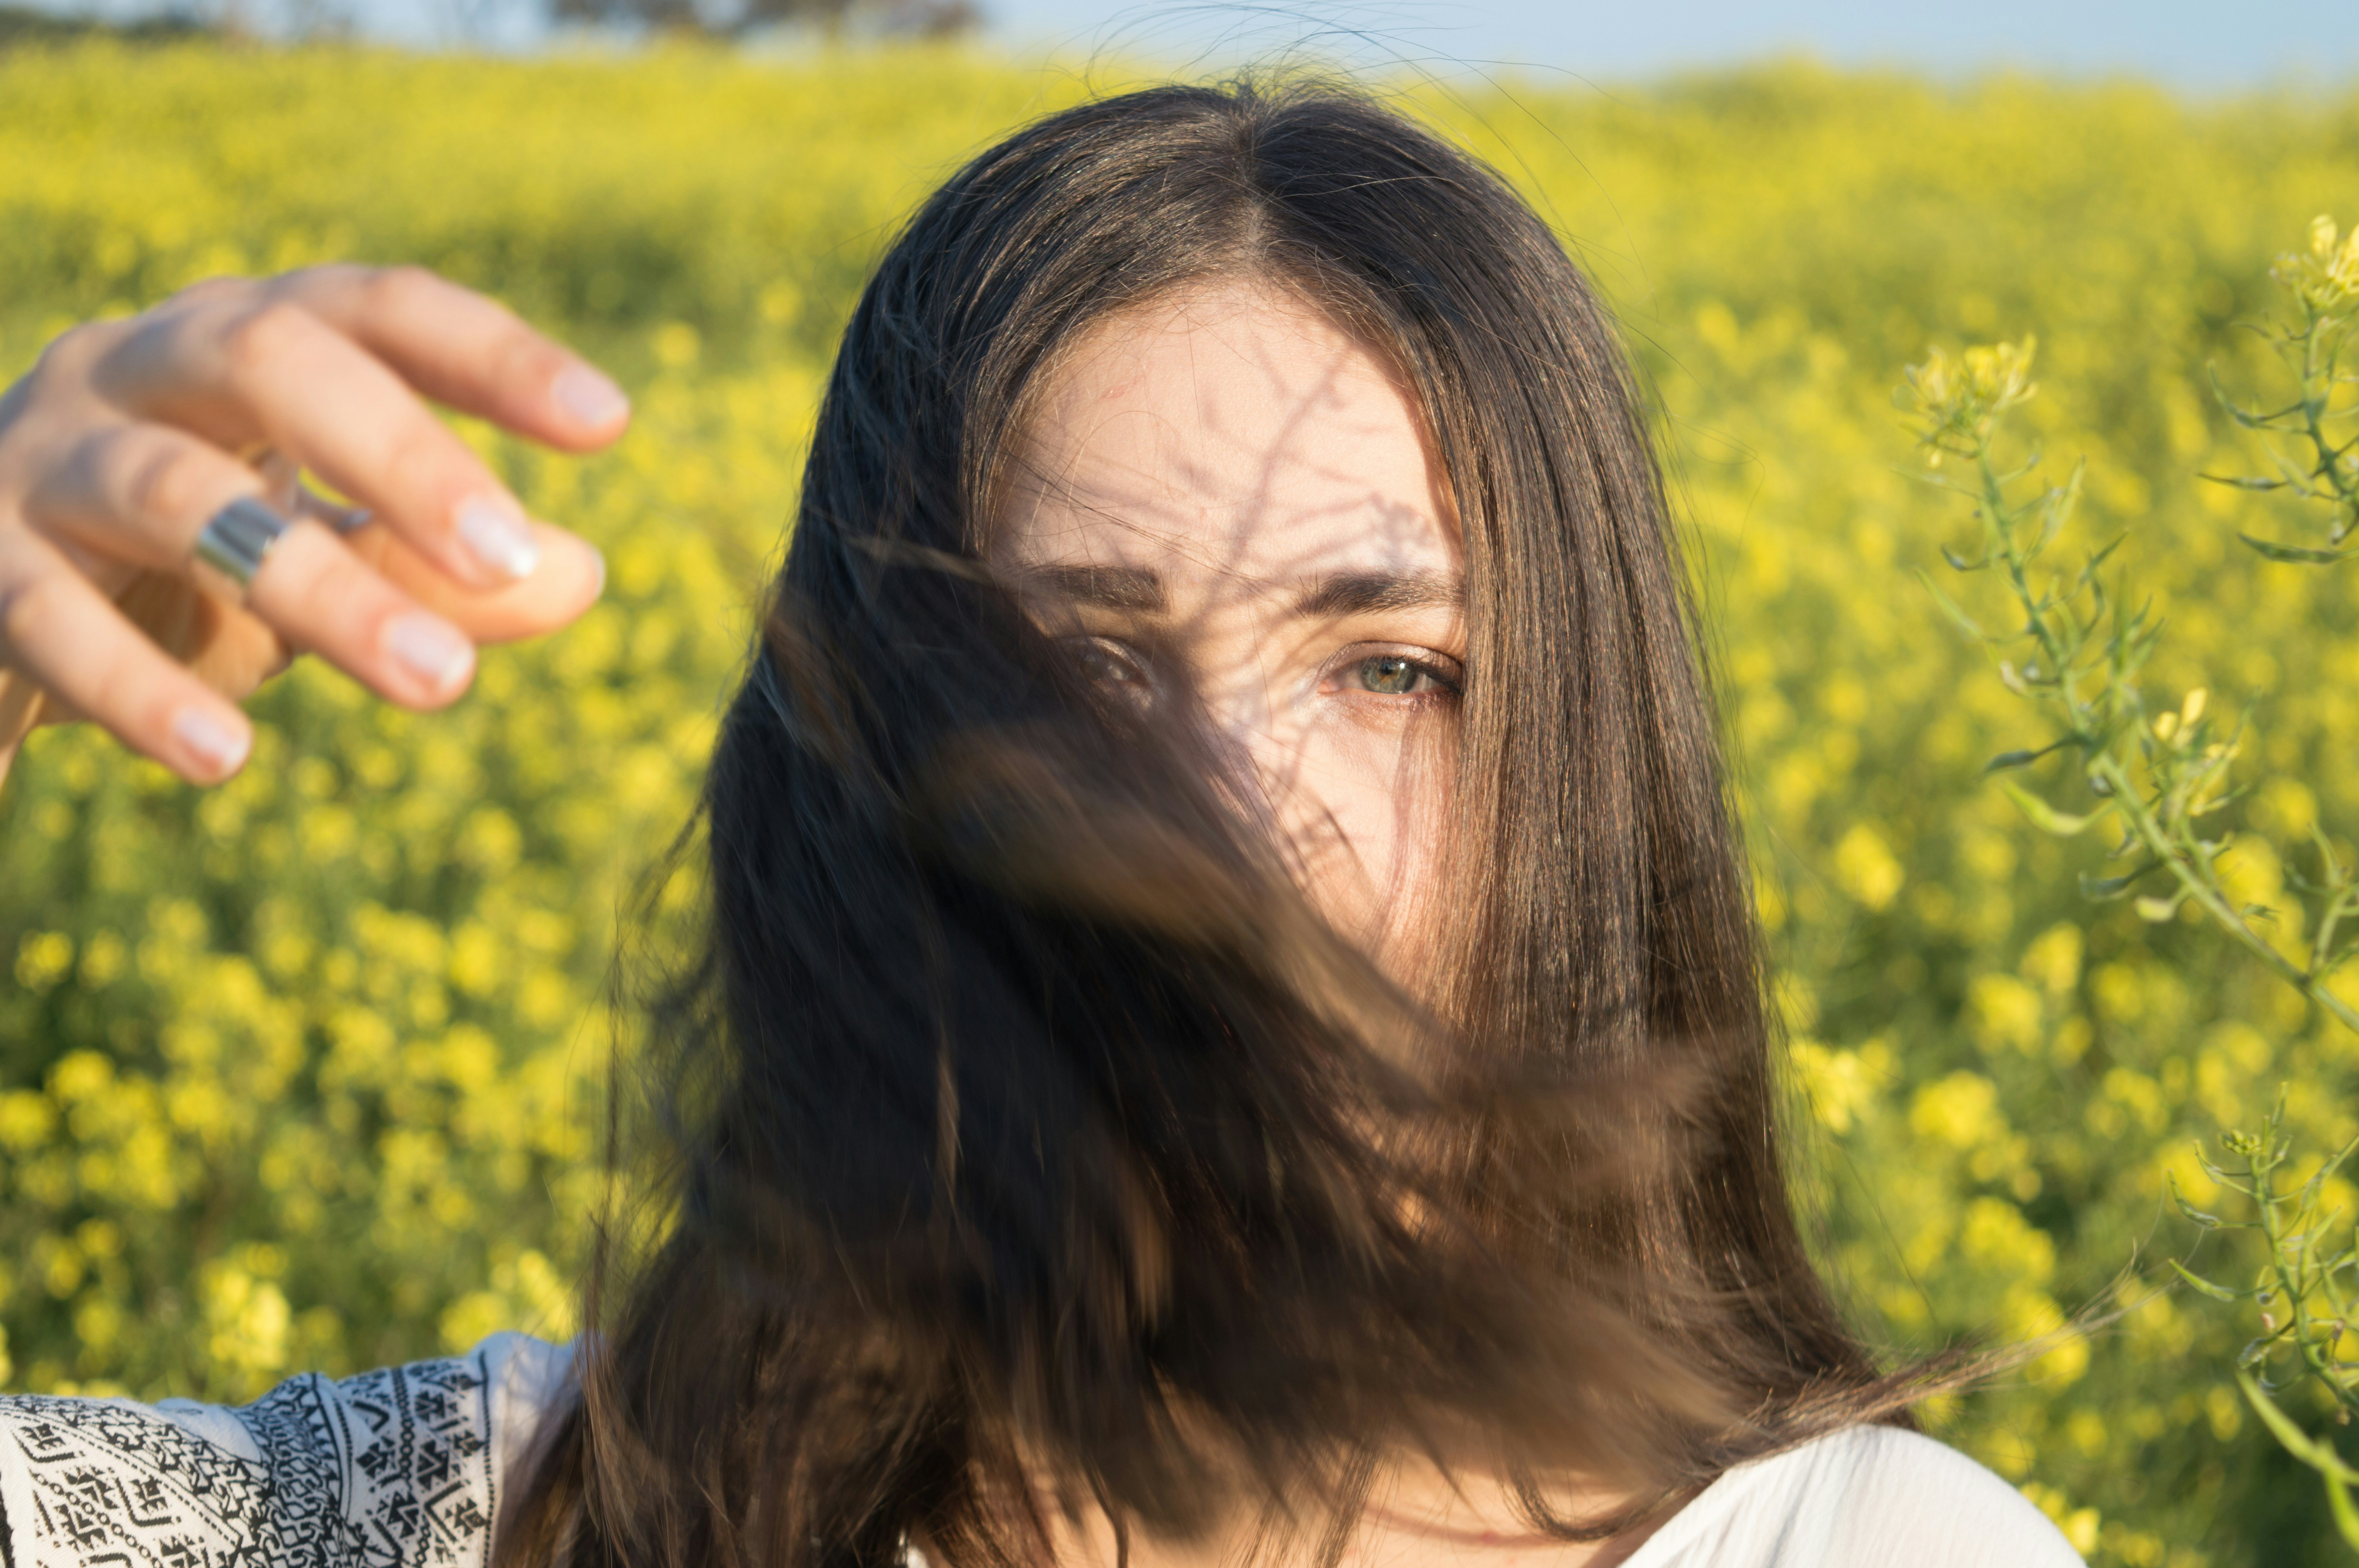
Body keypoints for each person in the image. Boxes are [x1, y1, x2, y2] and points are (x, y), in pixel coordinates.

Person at [0, 80, 2083, 1568]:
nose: (1233, 828)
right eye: (1076, 669)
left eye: (1392, 668)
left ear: (1585, 771)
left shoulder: (1880, 1555)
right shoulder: (528, 1512)